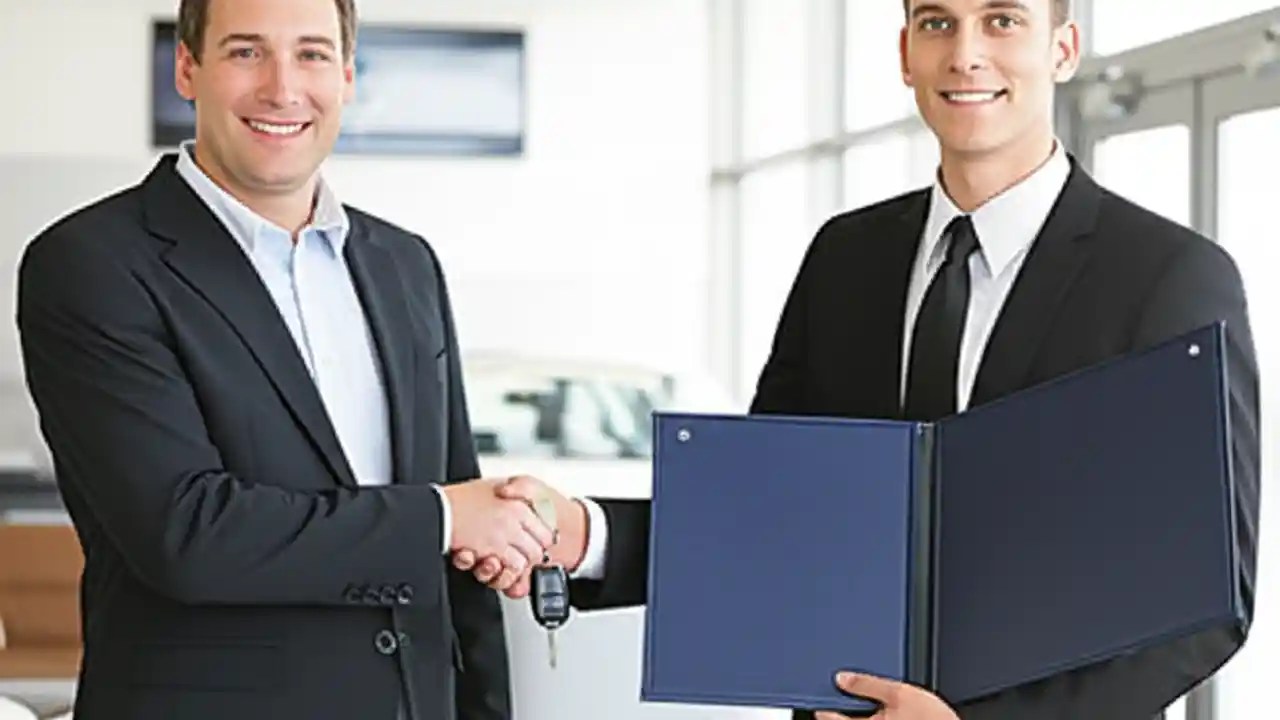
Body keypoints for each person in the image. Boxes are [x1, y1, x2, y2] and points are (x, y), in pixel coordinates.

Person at [456, 0, 1261, 718]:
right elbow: (768, 513)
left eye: (1002, 20)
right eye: (937, 22)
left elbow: (1207, 602)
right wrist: (586, 534)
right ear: (905, 52)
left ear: (1062, 49)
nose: (966, 54)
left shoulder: (1167, 278)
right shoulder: (845, 258)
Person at [15, 0, 554, 718]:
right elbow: (187, 533)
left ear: (347, 75)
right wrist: (441, 519)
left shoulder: (404, 264)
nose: (282, 88)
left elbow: (459, 539)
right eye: (246, 52)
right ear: (187, 68)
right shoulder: (94, 263)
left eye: (312, 54)